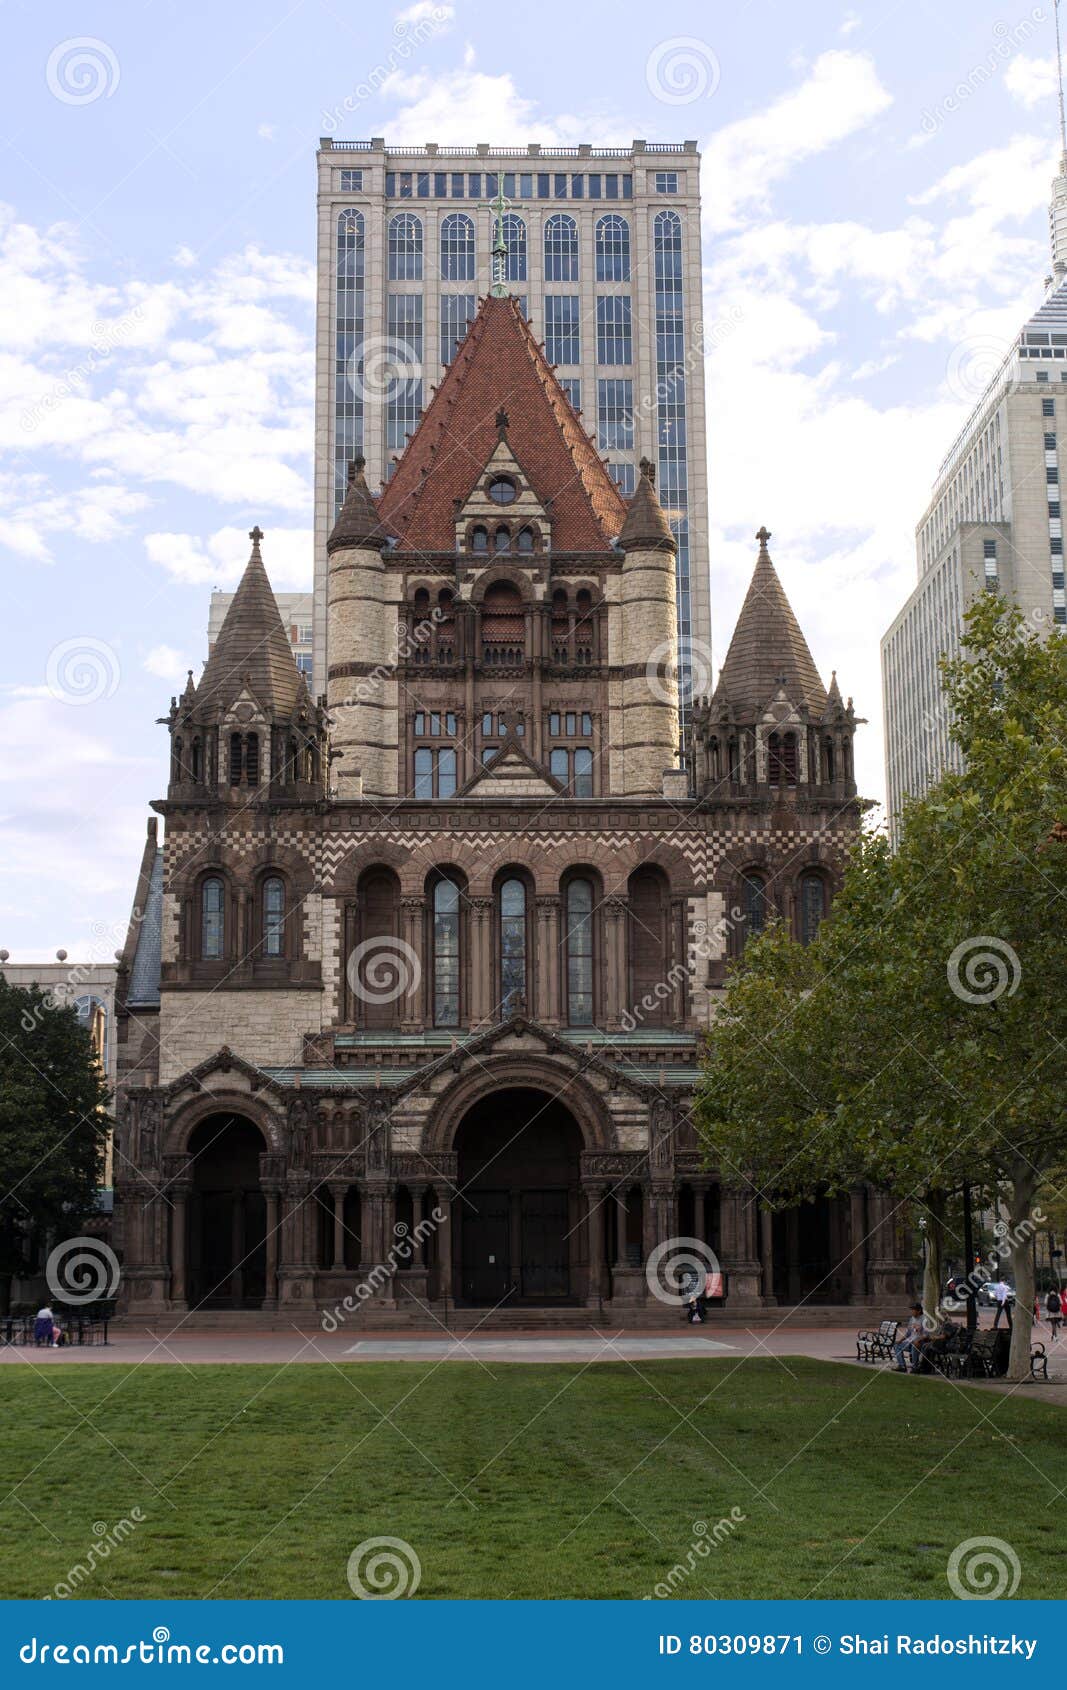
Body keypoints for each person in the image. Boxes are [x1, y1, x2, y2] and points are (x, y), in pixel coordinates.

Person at [893, 1305, 927, 1372]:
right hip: (910, 1341)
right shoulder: (912, 1319)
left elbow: (926, 1335)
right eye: (911, 1310)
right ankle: (902, 1366)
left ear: (919, 1311)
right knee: (896, 1345)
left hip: (920, 1342)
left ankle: (915, 1367)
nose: (911, 1312)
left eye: (913, 1310)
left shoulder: (924, 1320)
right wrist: (900, 1340)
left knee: (914, 1345)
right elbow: (908, 1333)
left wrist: (918, 1340)